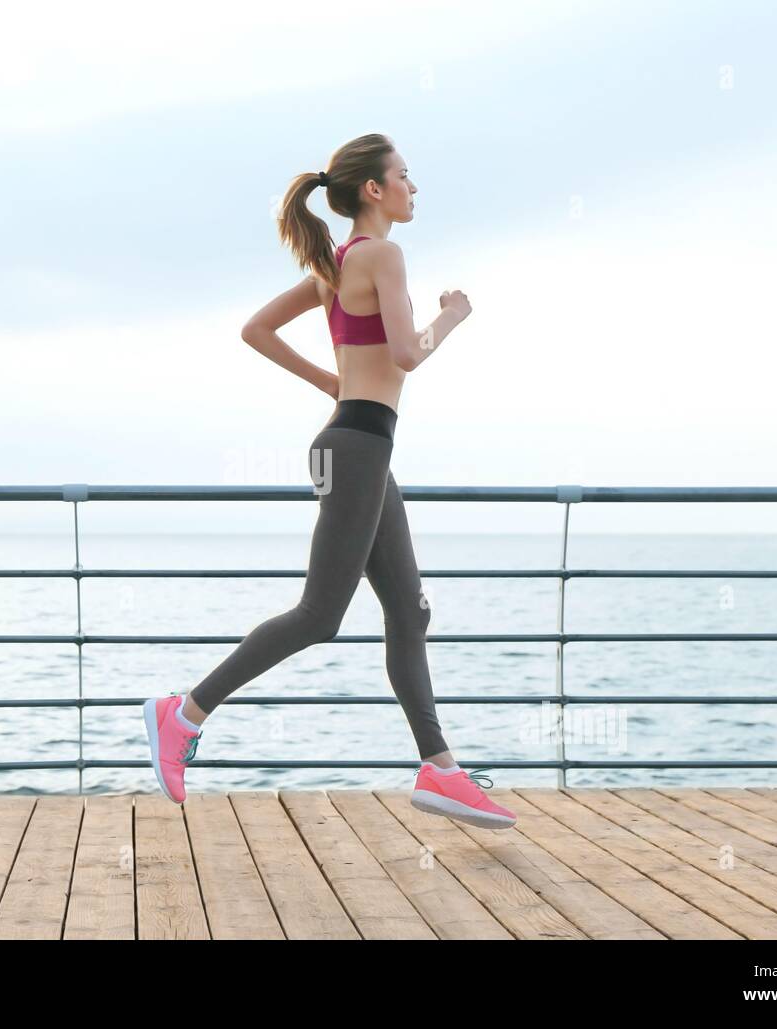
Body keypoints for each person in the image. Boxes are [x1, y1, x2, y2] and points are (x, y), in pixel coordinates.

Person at [144, 133, 515, 830]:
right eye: (405, 176)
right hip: (356, 448)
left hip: (355, 442)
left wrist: (335, 384)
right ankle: (182, 712)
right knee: (321, 614)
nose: (413, 188)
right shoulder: (381, 254)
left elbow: (256, 329)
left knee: (410, 611)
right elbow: (407, 353)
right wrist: (454, 314)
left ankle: (441, 770)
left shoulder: (336, 265)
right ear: (373, 189)